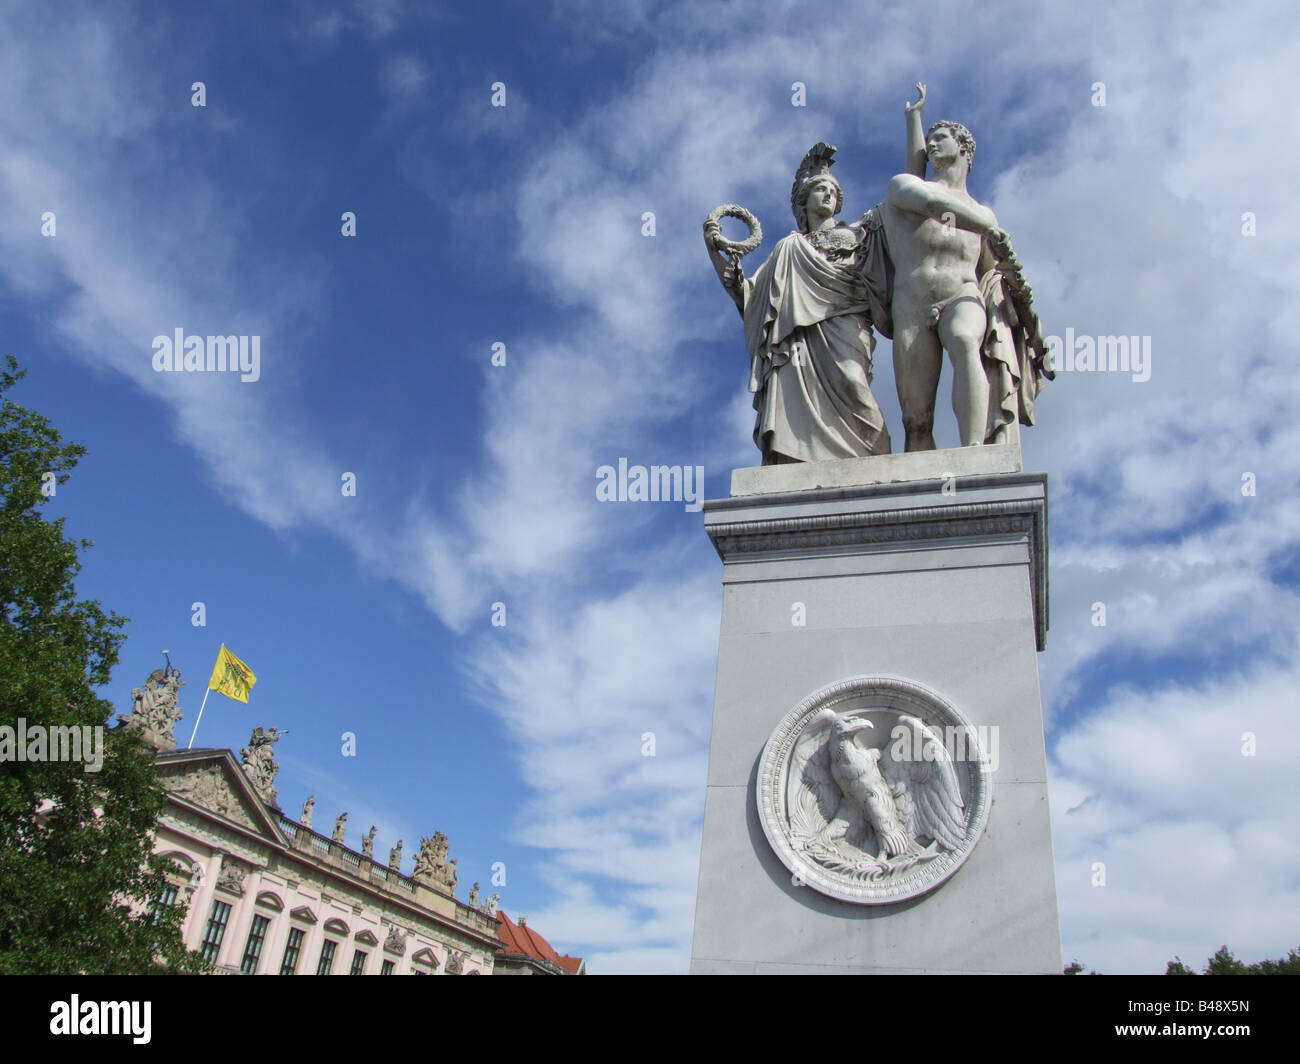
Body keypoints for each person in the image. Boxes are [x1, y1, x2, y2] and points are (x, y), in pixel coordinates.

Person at [706, 144, 899, 464]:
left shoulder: (860, 235)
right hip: (797, 343)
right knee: (794, 401)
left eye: (833, 191)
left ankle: (875, 465)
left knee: (854, 386)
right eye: (820, 189)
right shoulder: (789, 248)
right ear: (803, 200)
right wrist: (715, 250)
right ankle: (797, 460)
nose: (828, 195)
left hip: (846, 323)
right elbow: (749, 297)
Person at [883, 91, 1051, 450]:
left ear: (963, 148)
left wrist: (1035, 335)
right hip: (911, 302)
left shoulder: (985, 214)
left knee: (963, 340)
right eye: (927, 139)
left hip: (962, 293)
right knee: (916, 417)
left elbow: (1001, 278)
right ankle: (919, 482)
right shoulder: (906, 188)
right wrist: (989, 231)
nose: (931, 144)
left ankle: (974, 451)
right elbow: (932, 203)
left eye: (940, 138)